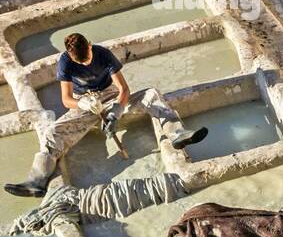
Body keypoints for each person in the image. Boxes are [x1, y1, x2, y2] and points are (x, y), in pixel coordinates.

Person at [4, 33, 208, 198]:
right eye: (80, 63)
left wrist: (115, 112)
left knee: (150, 94)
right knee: (53, 131)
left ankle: (177, 134)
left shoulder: (103, 54)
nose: (85, 65)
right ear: (70, 55)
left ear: (90, 46)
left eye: (87, 60)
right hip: (83, 103)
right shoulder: (65, 62)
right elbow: (66, 99)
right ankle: (37, 180)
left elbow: (123, 89)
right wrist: (82, 102)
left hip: (110, 95)